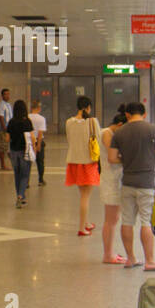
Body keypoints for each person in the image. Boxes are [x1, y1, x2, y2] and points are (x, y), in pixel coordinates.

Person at [109, 102, 155, 270]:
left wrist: (127, 160)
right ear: (144, 114)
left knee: (127, 220)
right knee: (146, 222)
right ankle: (149, 261)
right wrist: (151, 159)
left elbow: (112, 158)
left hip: (127, 183)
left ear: (127, 115)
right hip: (147, 183)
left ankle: (130, 258)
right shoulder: (153, 129)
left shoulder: (119, 132)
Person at [65, 95, 100, 236]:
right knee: (86, 197)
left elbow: (69, 139)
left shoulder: (69, 122)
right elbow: (99, 138)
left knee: (83, 195)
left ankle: (86, 223)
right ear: (88, 107)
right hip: (88, 162)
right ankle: (82, 228)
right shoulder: (92, 121)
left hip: (74, 162)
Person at [99, 111, 127, 264]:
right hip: (110, 181)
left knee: (114, 218)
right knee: (110, 219)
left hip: (116, 180)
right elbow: (113, 156)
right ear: (120, 125)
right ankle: (107, 254)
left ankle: (110, 252)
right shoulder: (107, 133)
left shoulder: (112, 133)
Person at [5, 99, 35, 208]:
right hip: (24, 151)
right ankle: (21, 196)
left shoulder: (11, 122)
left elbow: (7, 138)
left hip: (14, 151)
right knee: (25, 175)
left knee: (17, 174)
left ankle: (20, 196)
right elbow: (32, 137)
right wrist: (35, 149)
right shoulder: (27, 121)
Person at [29, 100, 47, 186]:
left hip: (28, 142)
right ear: (39, 108)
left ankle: (26, 182)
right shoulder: (41, 119)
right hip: (37, 141)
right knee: (40, 162)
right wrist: (39, 144)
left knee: (28, 162)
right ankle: (40, 180)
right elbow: (40, 133)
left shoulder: (27, 117)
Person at [0, 88, 13, 171]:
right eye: (6, 94)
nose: (7, 96)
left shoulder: (9, 105)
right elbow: (1, 117)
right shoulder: (1, 105)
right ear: (2, 95)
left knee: (9, 147)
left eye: (8, 94)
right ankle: (2, 165)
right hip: (4, 130)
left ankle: (13, 164)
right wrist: (5, 129)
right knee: (3, 147)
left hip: (10, 129)